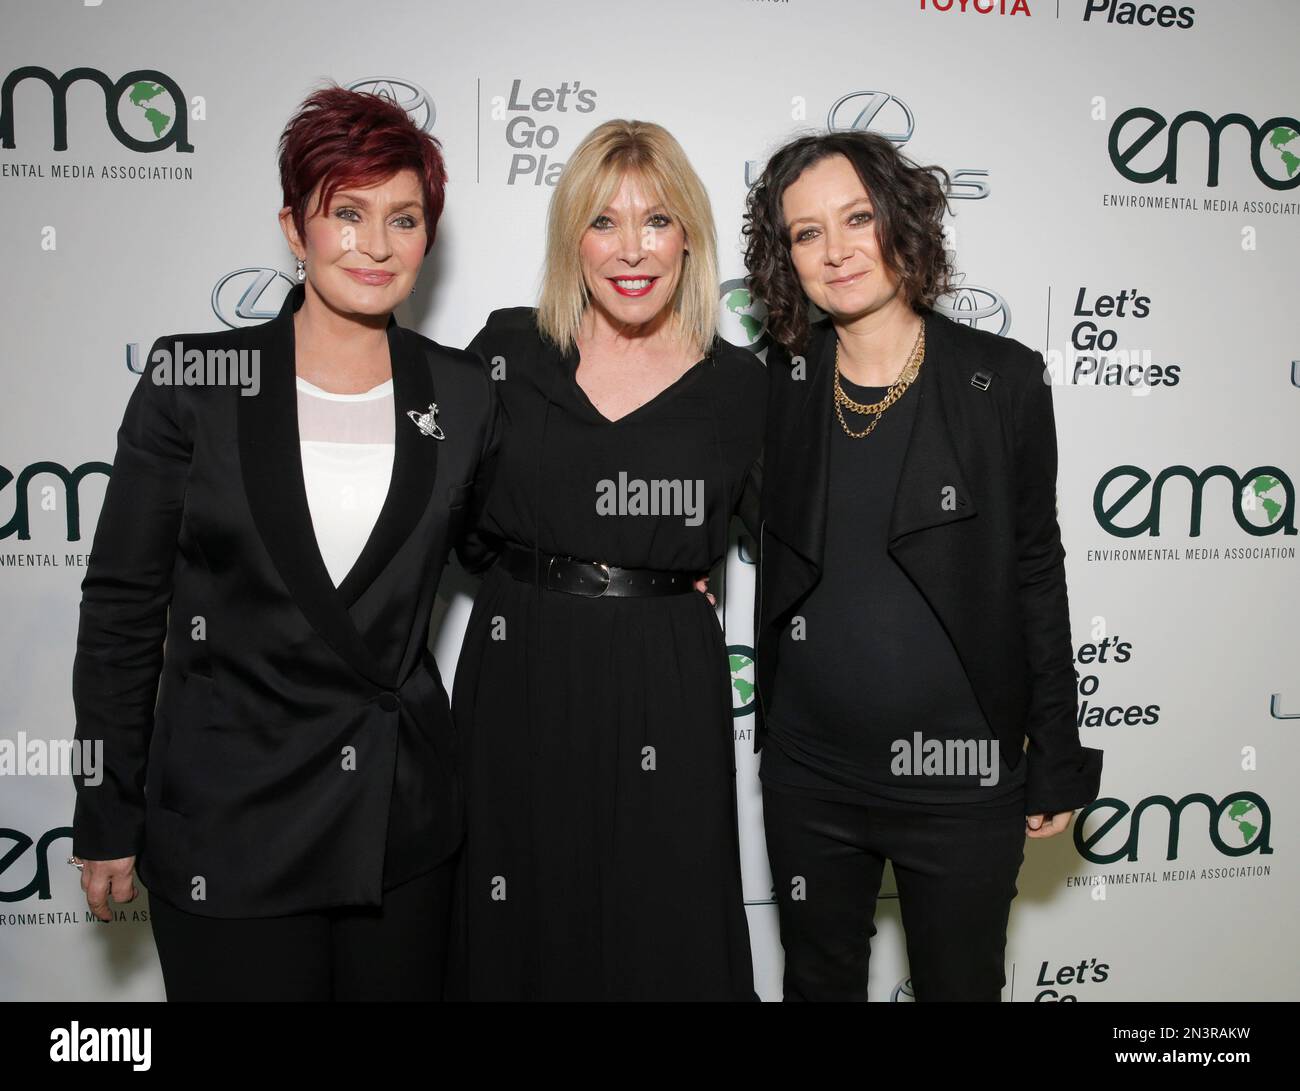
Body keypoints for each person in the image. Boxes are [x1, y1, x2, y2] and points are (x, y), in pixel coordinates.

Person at [69, 86, 498, 1001]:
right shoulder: (196, 383)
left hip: (400, 830)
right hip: (232, 826)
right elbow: (121, 610)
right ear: (294, 230)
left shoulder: (463, 395)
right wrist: (106, 808)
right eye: (346, 213)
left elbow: (502, 546)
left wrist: (652, 578)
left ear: (430, 235)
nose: (376, 244)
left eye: (404, 217)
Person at [741, 129, 1104, 1001]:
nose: (835, 251)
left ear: (900, 221)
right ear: (787, 258)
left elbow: (1034, 568)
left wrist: (1055, 748)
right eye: (805, 233)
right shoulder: (773, 386)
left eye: (856, 218)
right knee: (816, 985)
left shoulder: (1001, 381)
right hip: (810, 773)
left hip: (962, 777)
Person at [452, 119, 764, 1000]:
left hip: (665, 676)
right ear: (570, 239)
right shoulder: (509, 351)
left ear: (690, 237)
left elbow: (812, 539)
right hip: (522, 667)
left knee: (662, 917)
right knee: (519, 911)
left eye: (657, 221)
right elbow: (451, 520)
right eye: (603, 222)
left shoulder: (740, 387)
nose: (632, 249)